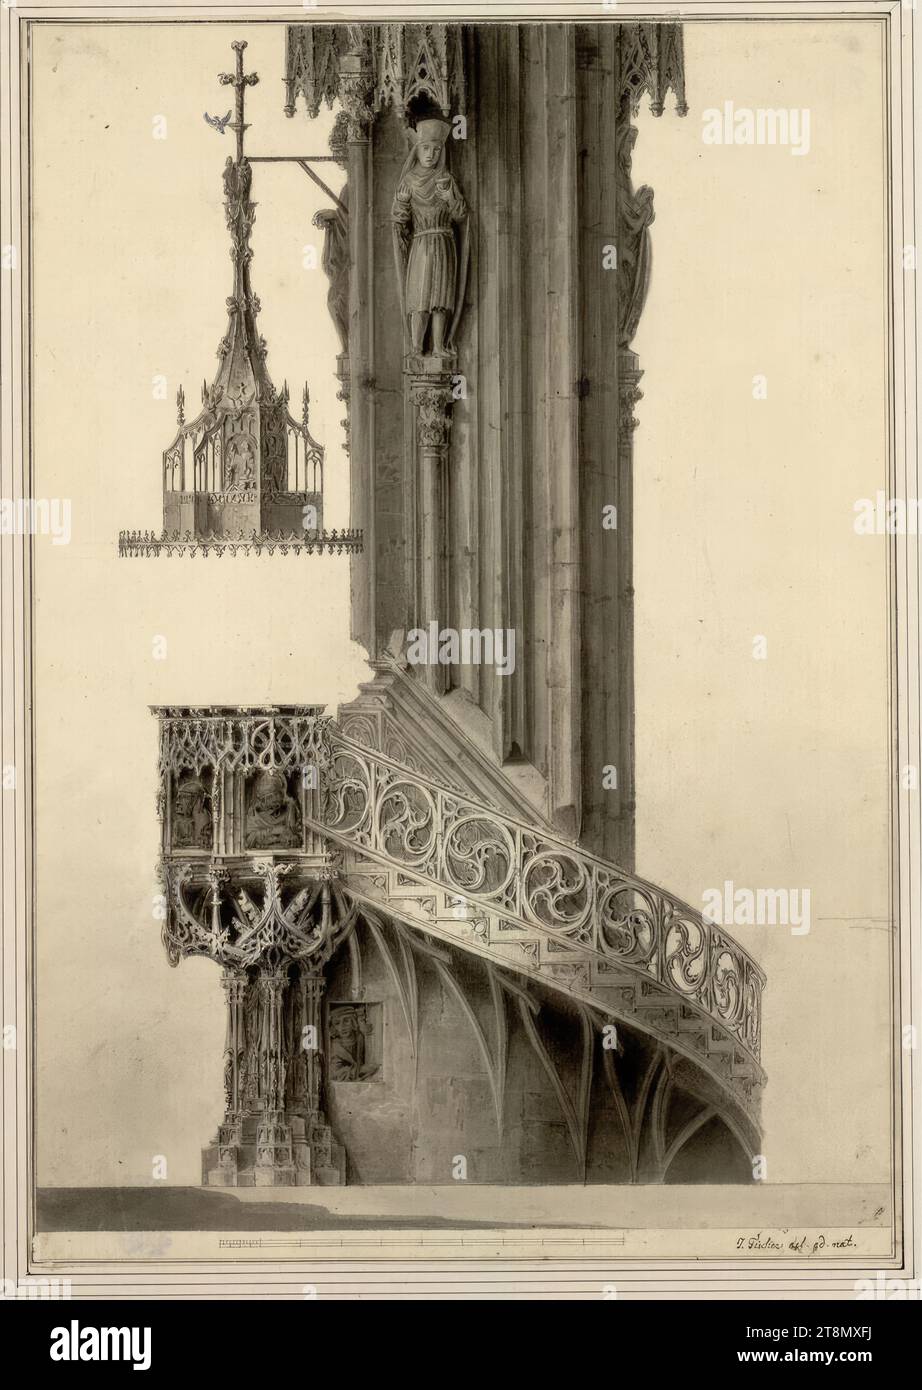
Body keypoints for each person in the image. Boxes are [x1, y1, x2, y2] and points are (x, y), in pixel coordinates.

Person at [392, 118, 468, 355]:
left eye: (436, 149)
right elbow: (399, 220)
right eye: (426, 148)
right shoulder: (409, 181)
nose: (431, 154)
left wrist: (449, 197)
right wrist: (403, 203)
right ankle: (416, 347)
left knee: (441, 299)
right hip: (422, 244)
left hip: (444, 243)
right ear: (417, 149)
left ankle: (438, 346)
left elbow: (460, 214)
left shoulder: (445, 179)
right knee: (420, 298)